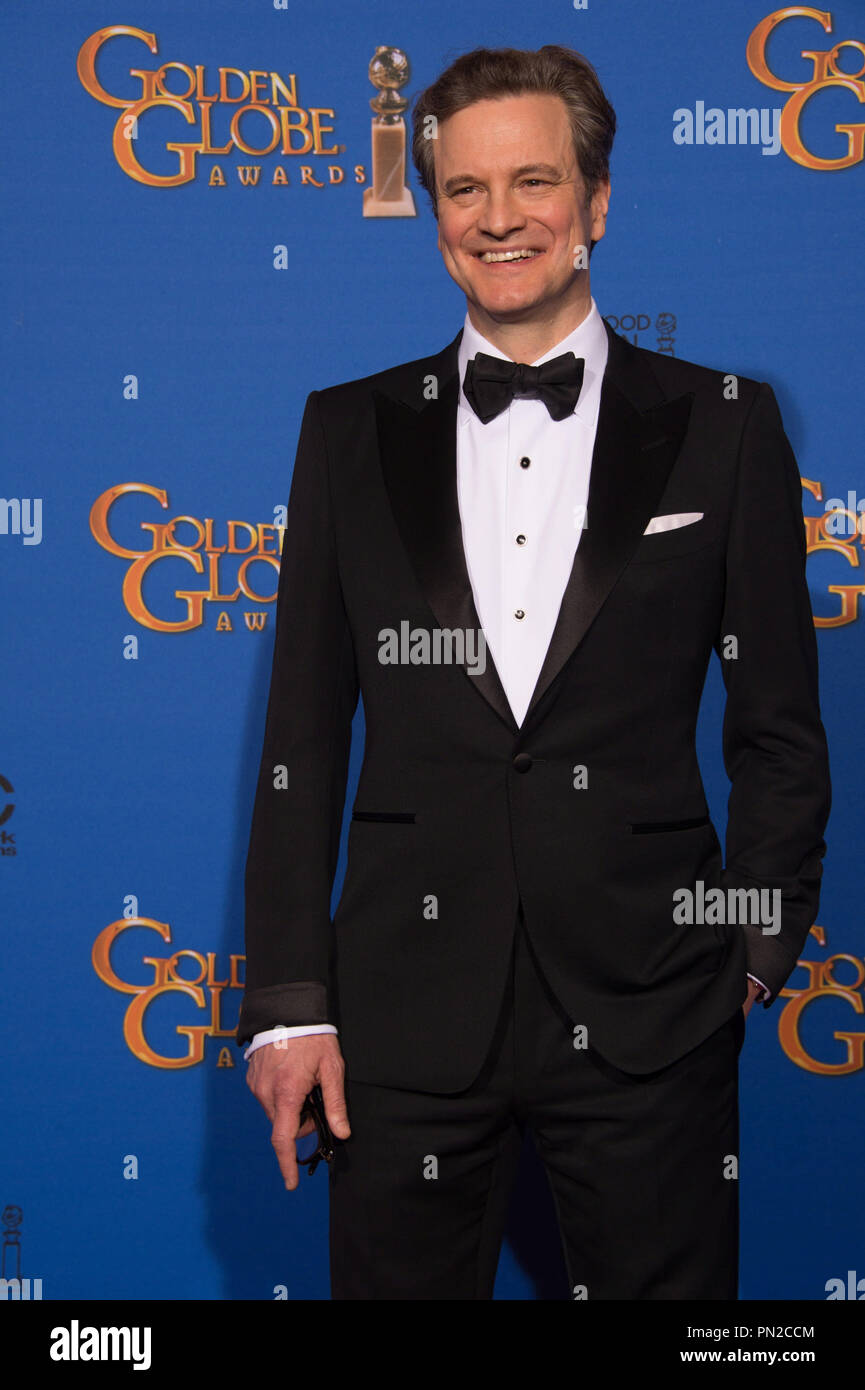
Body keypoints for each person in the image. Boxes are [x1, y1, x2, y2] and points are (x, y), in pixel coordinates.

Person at [237, 45, 831, 1300]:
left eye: (534, 182)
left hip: (651, 1010)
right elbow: (301, 737)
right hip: (398, 1018)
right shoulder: (346, 430)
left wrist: (750, 954)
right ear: (436, 210)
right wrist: (291, 1003)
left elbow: (778, 732)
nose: (499, 218)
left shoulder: (725, 423)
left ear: (597, 203)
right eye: (464, 190)